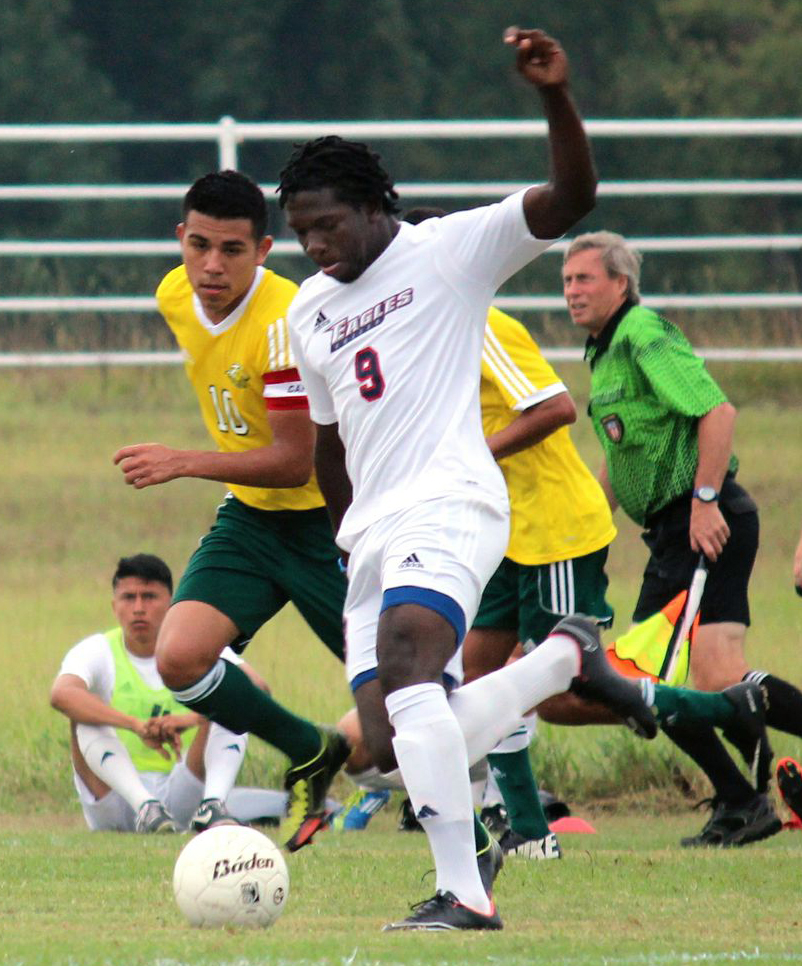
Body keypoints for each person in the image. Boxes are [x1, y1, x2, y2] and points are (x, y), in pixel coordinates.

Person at [279, 27, 656, 932]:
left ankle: (466, 893)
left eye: (327, 225)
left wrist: (554, 96)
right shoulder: (309, 309)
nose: (315, 245)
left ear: (373, 206)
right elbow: (329, 444)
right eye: (299, 233)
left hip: (451, 502)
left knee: (412, 668)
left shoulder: (447, 250)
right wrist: (343, 538)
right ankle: (564, 659)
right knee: (390, 744)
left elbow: (570, 198)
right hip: (371, 532)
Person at [332, 264, 774, 854]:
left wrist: (467, 455)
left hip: (554, 533)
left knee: (561, 693)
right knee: (479, 676)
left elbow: (556, 409)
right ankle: (530, 832)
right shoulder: (408, 342)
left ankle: (721, 709)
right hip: (498, 531)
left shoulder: (480, 326)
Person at [112, 171, 350, 851]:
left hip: (330, 523)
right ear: (180, 240)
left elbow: (294, 460)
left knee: (400, 695)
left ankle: (493, 815)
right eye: (199, 245)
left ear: (264, 250)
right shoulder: (174, 294)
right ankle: (310, 749)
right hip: (251, 517)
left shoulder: (284, 323)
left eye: (232, 250)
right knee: (179, 657)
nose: (211, 265)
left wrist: (182, 460)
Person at [562, 228, 802, 843]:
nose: (572, 291)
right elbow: (625, 457)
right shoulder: (604, 353)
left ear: (621, 283)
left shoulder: (643, 333)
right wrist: (580, 522)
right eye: (566, 281)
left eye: (585, 278)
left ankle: (741, 802)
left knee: (646, 680)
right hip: (681, 530)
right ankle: (745, 802)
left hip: (701, 523)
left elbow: (717, 411)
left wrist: (704, 500)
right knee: (720, 677)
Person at [50, 553, 286, 833]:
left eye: (149, 597)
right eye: (129, 598)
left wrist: (191, 720)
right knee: (83, 716)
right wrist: (135, 726)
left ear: (173, 604)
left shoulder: (196, 647)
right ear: (115, 606)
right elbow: (61, 695)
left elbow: (259, 689)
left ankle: (213, 805)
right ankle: (146, 807)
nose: (139, 608)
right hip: (116, 798)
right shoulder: (98, 650)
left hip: (183, 791)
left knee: (236, 708)